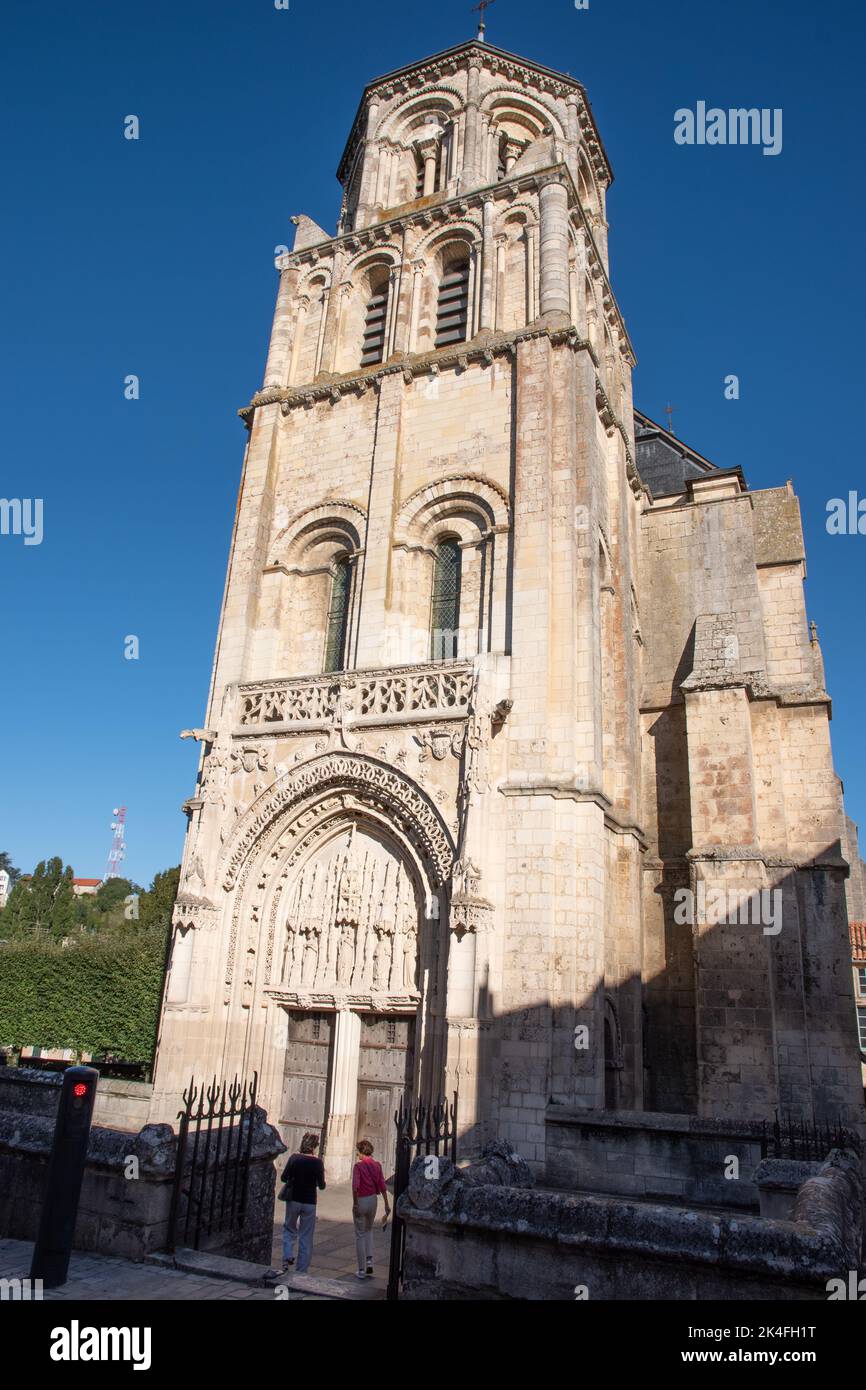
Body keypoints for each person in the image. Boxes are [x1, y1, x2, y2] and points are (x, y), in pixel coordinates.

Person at [281, 1132, 325, 1274]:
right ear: (314, 1147)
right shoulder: (318, 1162)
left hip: (294, 1198)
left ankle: (287, 1255)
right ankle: (302, 1270)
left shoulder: (294, 1158)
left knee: (289, 1228)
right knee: (306, 1236)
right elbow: (322, 1185)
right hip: (310, 1201)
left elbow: (283, 1177)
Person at [351, 1138, 390, 1279]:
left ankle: (361, 1270)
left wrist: (355, 1203)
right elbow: (382, 1186)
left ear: (362, 1152)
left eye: (358, 1152)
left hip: (361, 1200)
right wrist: (386, 1204)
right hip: (373, 1200)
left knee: (360, 1234)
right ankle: (370, 1261)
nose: (357, 1155)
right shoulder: (377, 1165)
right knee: (369, 1230)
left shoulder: (358, 1166)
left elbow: (355, 1186)